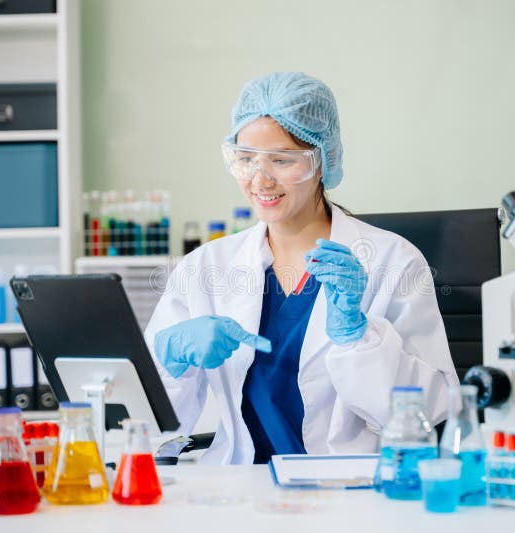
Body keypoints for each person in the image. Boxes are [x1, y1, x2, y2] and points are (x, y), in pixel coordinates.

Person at [144, 72, 458, 464]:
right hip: (238, 486)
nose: (260, 180)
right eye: (246, 159)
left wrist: (359, 339)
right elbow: (152, 427)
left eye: (281, 160)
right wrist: (171, 363)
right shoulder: (205, 267)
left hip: (348, 487)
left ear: (323, 161)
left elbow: (430, 414)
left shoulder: (392, 260)